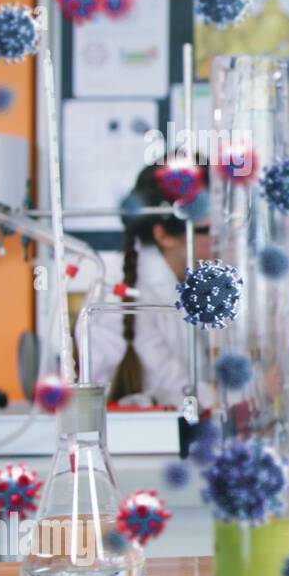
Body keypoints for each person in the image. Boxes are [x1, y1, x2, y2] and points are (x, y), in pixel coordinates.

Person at [84, 163, 212, 406]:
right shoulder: (120, 288)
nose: (218, 239)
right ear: (162, 235)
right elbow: (170, 388)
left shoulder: (188, 282)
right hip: (129, 436)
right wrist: (258, 389)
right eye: (207, 230)